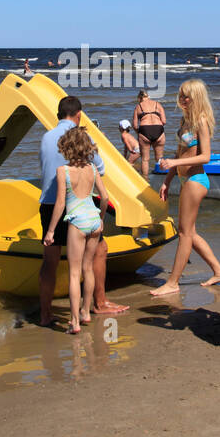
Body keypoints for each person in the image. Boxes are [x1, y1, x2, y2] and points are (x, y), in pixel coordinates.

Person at [37, 96, 128, 326]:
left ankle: (45, 313)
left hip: (50, 204)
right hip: (79, 205)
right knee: (99, 250)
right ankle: (98, 303)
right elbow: (101, 168)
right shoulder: (82, 136)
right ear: (78, 115)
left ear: (59, 115)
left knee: (51, 259)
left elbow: (45, 168)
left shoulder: (46, 137)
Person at [150, 79, 220, 295]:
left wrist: (175, 164)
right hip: (184, 180)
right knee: (190, 232)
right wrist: (167, 181)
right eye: (181, 95)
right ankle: (219, 271)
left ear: (196, 97)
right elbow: (178, 154)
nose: (183, 99)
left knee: (184, 233)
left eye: (187, 96)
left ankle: (173, 283)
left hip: (196, 180)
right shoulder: (185, 120)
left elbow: (205, 156)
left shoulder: (201, 121)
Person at [44, 127, 108, 333]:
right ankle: (86, 312)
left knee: (74, 273)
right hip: (93, 220)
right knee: (88, 269)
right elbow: (105, 198)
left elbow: (61, 203)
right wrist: (101, 218)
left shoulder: (63, 171)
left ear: (67, 148)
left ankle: (74, 322)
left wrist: (51, 231)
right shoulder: (93, 168)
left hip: (77, 221)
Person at [131, 90, 167, 177]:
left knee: (145, 159)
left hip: (145, 129)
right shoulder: (158, 104)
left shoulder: (138, 107)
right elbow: (164, 121)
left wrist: (139, 133)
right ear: (148, 96)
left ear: (140, 98)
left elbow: (135, 125)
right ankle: (162, 178)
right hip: (158, 129)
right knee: (160, 158)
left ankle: (145, 179)